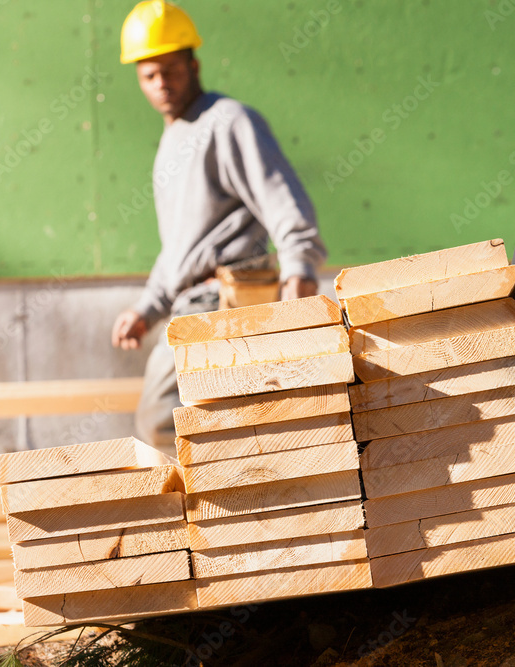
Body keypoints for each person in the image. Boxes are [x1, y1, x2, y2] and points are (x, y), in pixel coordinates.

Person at [111, 0, 327, 449]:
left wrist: (299, 274)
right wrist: (146, 309)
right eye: (149, 75)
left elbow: (283, 200)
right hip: (192, 301)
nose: (161, 83)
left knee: (158, 421)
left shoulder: (227, 122)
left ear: (194, 64)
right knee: (212, 429)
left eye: (170, 70)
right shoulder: (172, 140)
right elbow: (180, 248)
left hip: (225, 299)